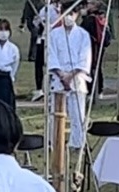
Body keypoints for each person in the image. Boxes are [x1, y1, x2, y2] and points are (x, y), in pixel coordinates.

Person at [48, 5, 92, 152]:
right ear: (61, 14)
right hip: (58, 77)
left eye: (71, 13)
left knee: (78, 114)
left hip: (77, 77)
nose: (68, 17)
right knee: (56, 114)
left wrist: (71, 75)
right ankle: (55, 143)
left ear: (76, 15)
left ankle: (77, 143)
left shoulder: (83, 35)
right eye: (65, 14)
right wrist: (61, 75)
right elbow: (51, 56)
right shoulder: (54, 34)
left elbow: (84, 59)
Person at [79, 1, 111, 97]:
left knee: (91, 68)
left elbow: (83, 32)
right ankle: (99, 89)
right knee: (97, 67)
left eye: (89, 4)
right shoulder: (102, 18)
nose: (86, 6)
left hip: (92, 47)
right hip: (99, 46)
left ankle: (92, 89)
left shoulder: (90, 19)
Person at [32, 0, 61, 101]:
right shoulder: (45, 9)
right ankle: (40, 89)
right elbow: (37, 24)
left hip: (54, 41)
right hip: (44, 39)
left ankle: (50, 88)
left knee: (51, 64)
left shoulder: (58, 9)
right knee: (39, 64)